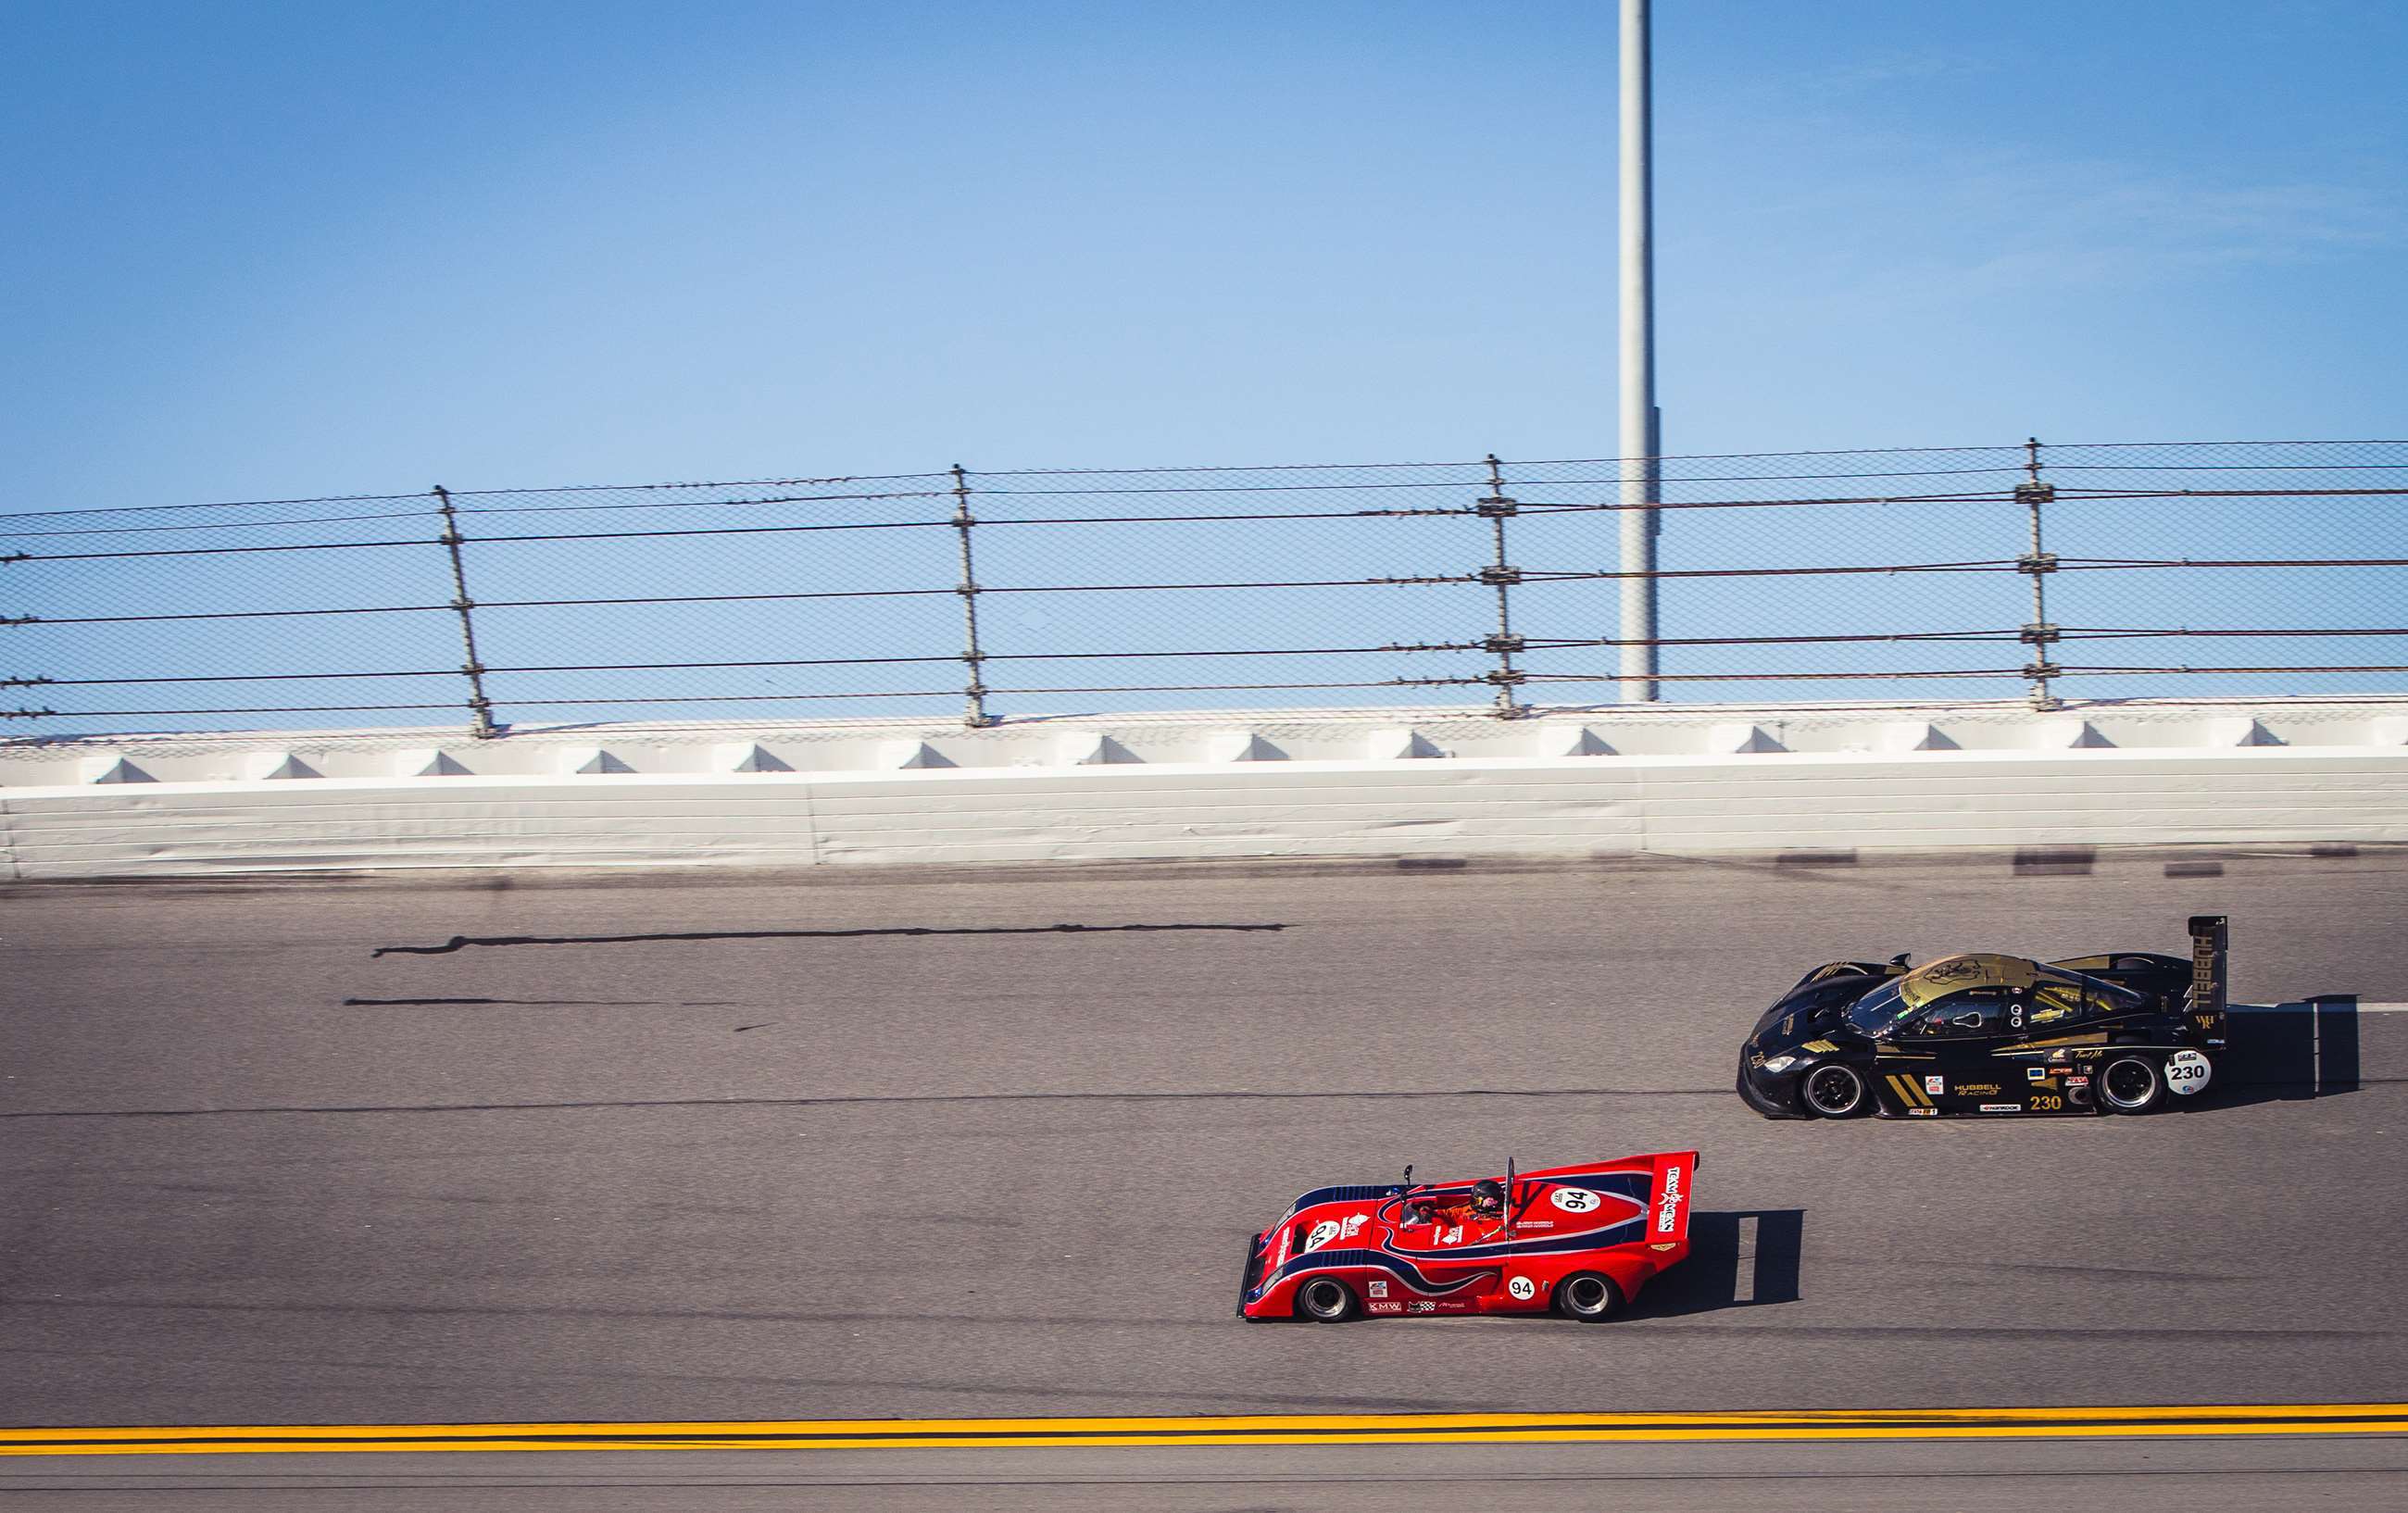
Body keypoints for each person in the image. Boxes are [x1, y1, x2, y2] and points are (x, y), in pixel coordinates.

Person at [1407, 1179, 1507, 1232]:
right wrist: (1428, 1212)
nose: (1475, 1202)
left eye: (1478, 1200)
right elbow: (1448, 1213)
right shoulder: (1469, 1210)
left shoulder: (1498, 1214)